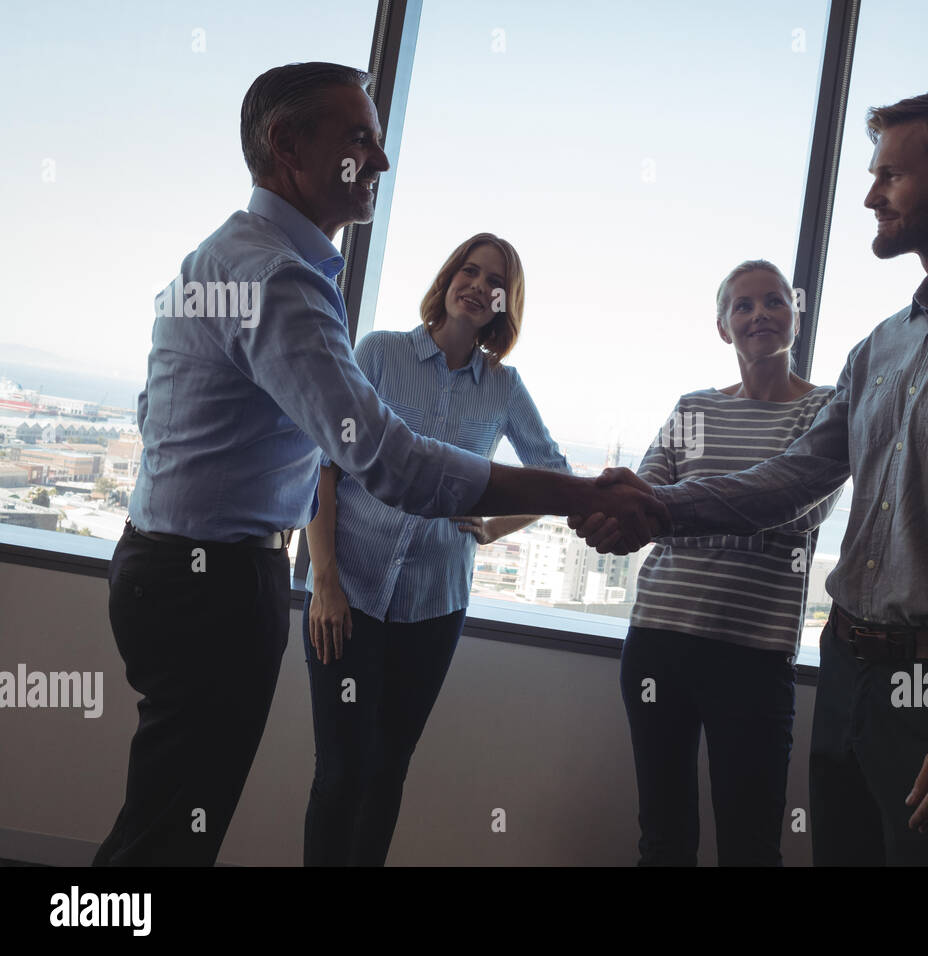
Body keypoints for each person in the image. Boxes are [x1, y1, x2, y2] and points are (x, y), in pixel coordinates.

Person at [94, 61, 664, 867]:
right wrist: (580, 494)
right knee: (166, 837)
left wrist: (506, 523)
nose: (382, 160)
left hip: (177, 567)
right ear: (288, 144)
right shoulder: (282, 279)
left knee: (162, 822)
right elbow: (389, 464)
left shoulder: (223, 255)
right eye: (359, 138)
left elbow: (157, 415)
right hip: (211, 586)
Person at [573, 88, 928, 866]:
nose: (870, 196)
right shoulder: (880, 347)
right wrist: (654, 506)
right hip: (847, 671)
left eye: (890, 177)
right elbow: (790, 477)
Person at [301, 232, 567, 866]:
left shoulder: (503, 389)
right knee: (340, 770)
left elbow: (553, 475)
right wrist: (326, 582)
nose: (477, 285)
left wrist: (495, 526)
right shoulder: (380, 354)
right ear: (448, 279)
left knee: (387, 773)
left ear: (506, 303)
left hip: (433, 610)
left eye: (493, 281)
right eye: (468, 271)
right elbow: (323, 468)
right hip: (352, 596)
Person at [620, 259, 842, 866]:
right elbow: (642, 498)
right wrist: (624, 512)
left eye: (773, 302)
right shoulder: (693, 407)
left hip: (753, 655)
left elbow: (789, 507)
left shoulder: (825, 412)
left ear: (796, 317)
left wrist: (664, 510)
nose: (758, 315)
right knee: (662, 841)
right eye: (742, 307)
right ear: (723, 327)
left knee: (750, 848)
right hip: (659, 640)